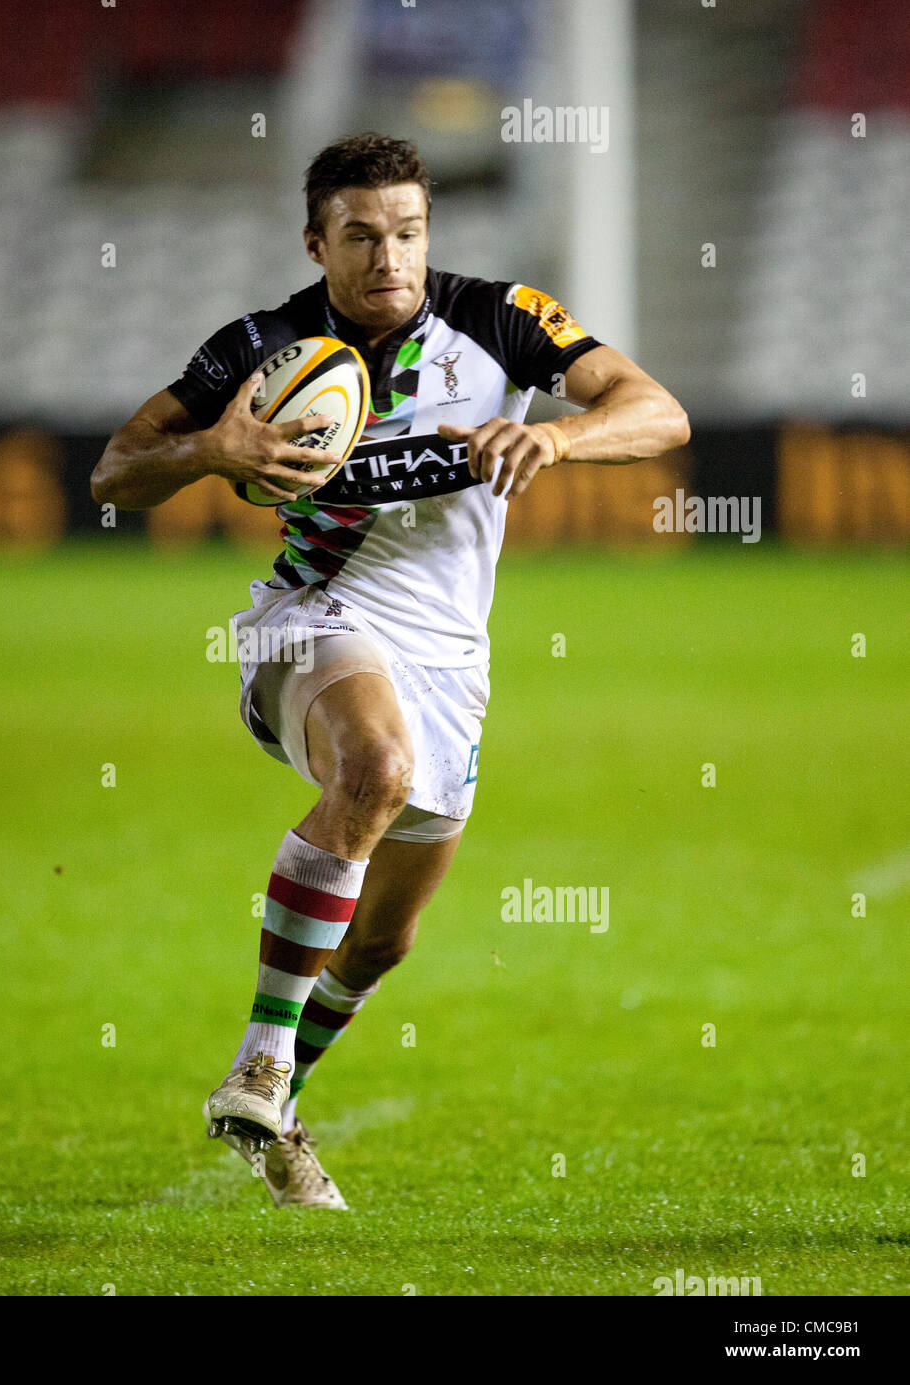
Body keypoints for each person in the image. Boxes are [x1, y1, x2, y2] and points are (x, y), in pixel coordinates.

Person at [91, 133, 689, 1209]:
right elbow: (116, 470)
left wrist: (557, 442)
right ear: (316, 241)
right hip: (311, 619)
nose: (387, 258)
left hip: (452, 655)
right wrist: (210, 450)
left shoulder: (503, 319)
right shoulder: (262, 348)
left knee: (381, 942)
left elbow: (658, 412)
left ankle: (274, 1104)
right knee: (370, 767)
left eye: (406, 233)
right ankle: (264, 1054)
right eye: (360, 236)